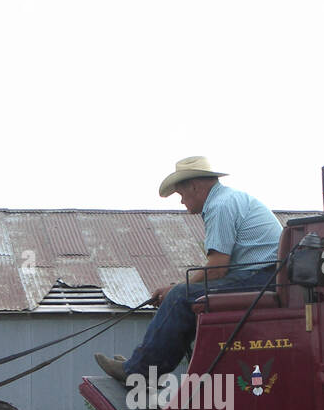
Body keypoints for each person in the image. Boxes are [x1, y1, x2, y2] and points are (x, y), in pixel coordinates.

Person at [94, 157, 282, 384]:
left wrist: (178, 290)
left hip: (262, 278)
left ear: (194, 186)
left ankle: (139, 373)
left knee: (179, 298)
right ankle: (144, 368)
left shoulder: (220, 206)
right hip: (264, 276)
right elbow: (218, 270)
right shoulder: (231, 200)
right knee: (181, 293)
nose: (181, 201)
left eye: (181, 194)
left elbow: (217, 270)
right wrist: (179, 287)